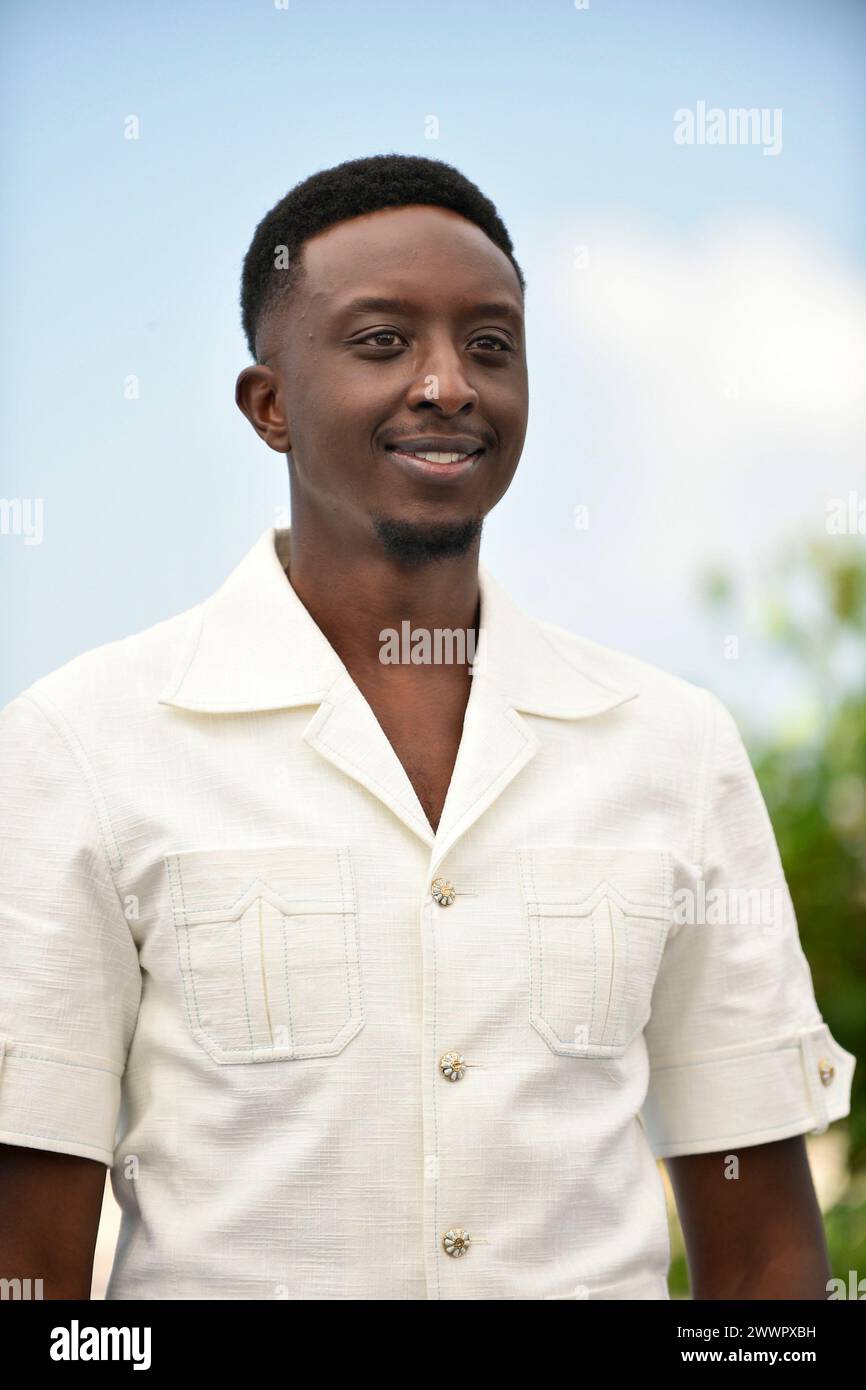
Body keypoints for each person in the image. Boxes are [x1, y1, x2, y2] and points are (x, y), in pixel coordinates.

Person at [0, 154, 855, 1301]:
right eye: (380, 341)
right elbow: (26, 1266)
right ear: (269, 406)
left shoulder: (673, 746)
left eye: (490, 345)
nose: (449, 384)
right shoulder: (86, 744)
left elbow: (762, 1261)